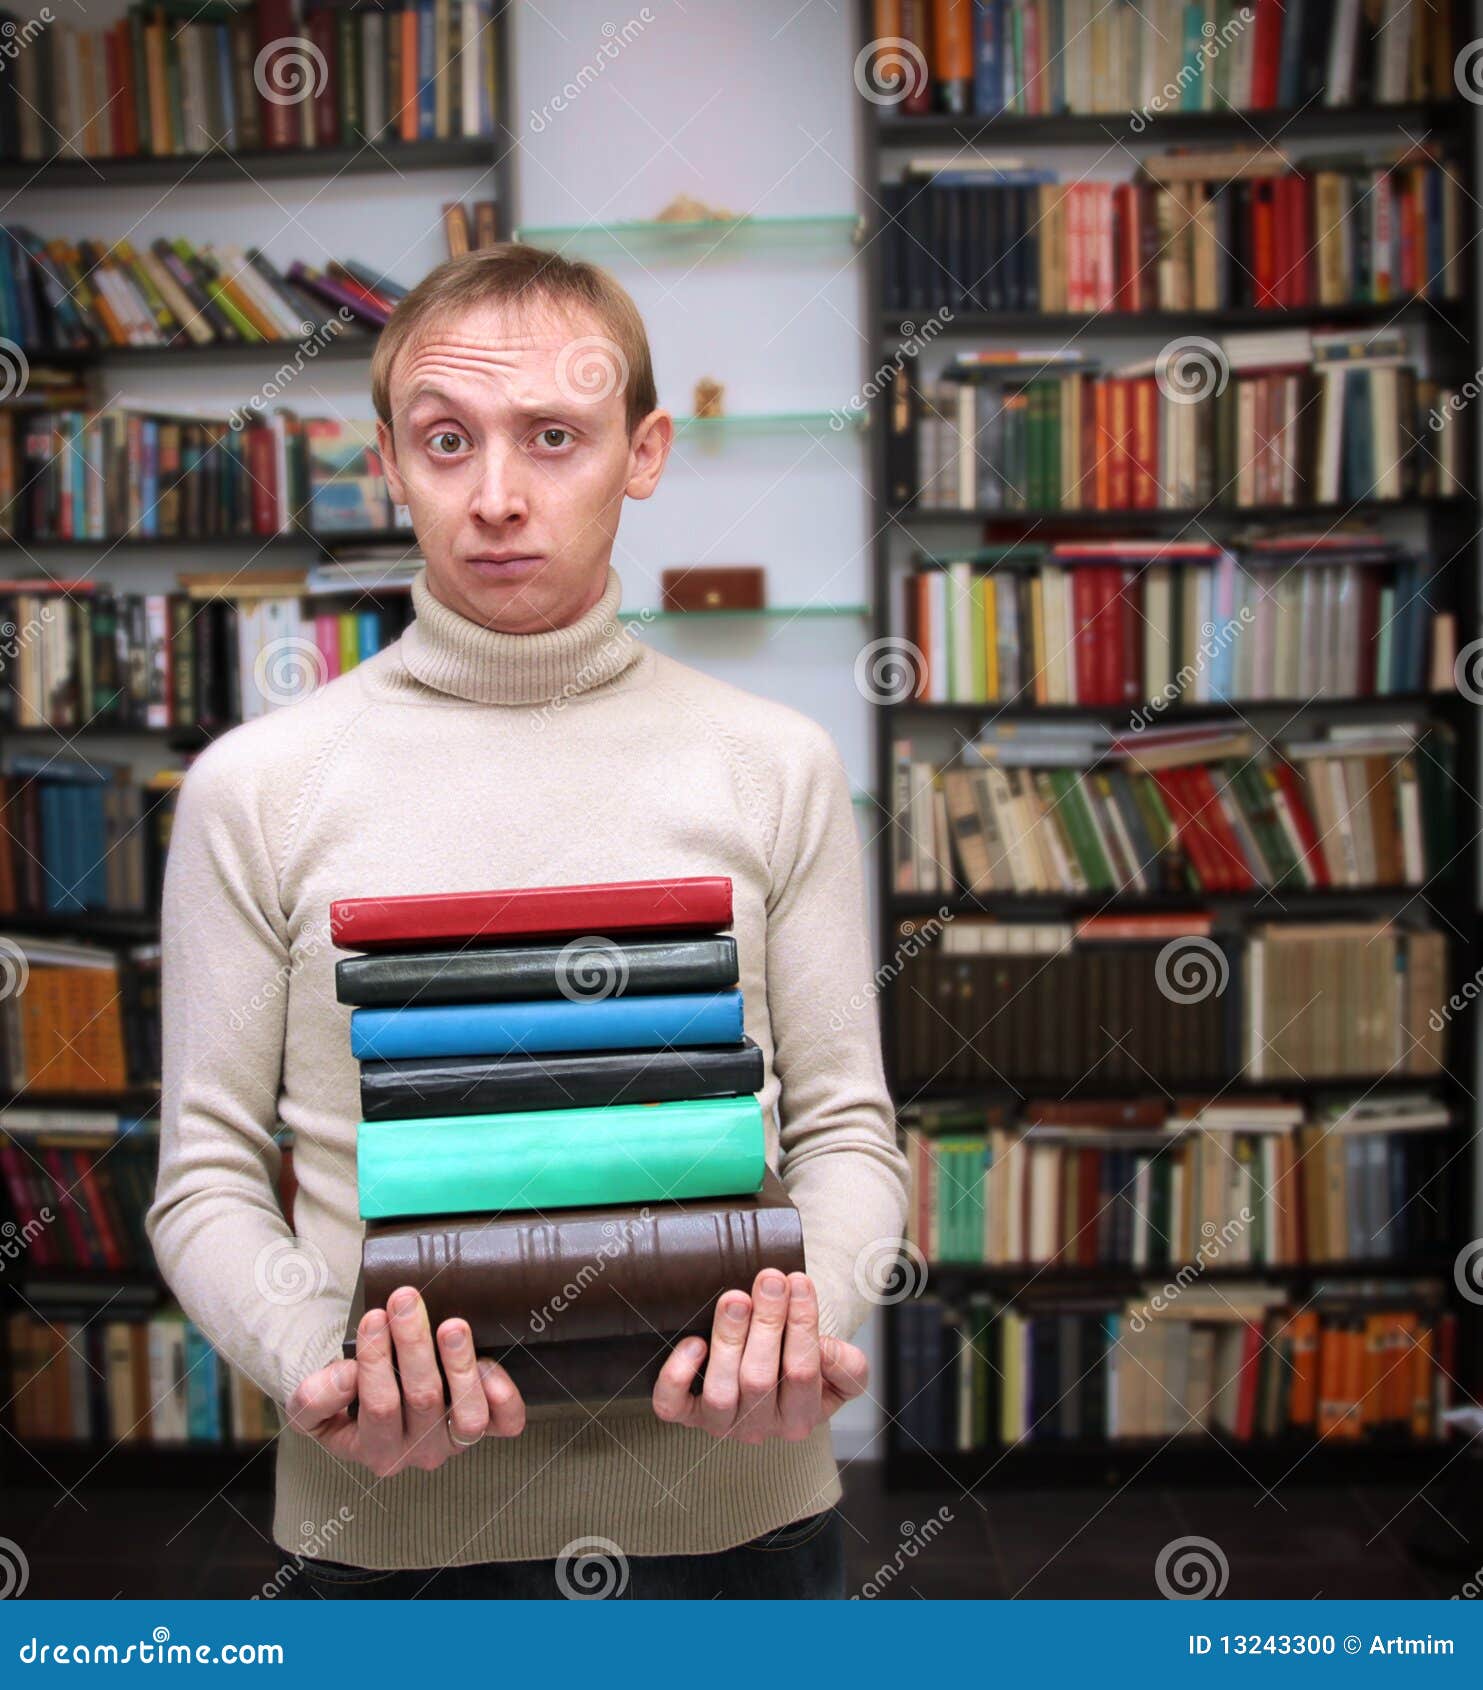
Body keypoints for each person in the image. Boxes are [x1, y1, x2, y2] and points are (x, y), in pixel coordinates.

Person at [147, 242, 911, 1600]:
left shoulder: (774, 763)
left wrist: (796, 1328)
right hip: (385, 1533)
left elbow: (849, 1128)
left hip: (738, 1526)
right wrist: (324, 1358)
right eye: (449, 441)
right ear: (391, 460)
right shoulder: (252, 788)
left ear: (643, 450)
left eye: (553, 437)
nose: (497, 496)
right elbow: (205, 1171)